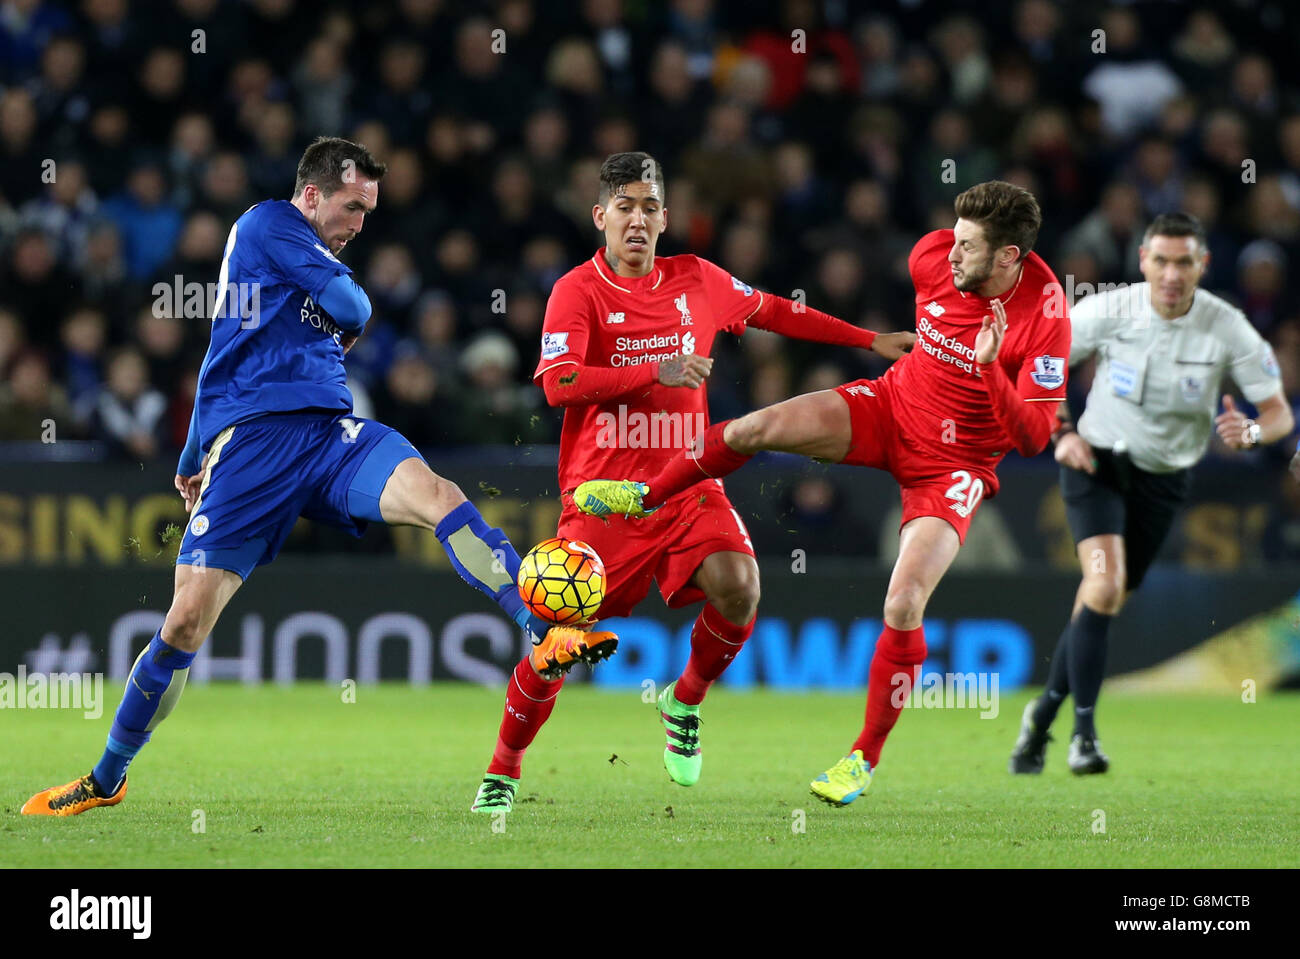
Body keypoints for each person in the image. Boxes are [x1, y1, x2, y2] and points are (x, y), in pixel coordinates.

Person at [22, 136, 614, 817]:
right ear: (311, 195)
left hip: (330, 434)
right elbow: (354, 309)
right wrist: (199, 456)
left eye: (370, 211)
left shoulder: (294, 267)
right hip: (252, 450)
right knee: (184, 622)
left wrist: (187, 456)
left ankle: (542, 627)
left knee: (439, 495)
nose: (361, 223)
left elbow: (223, 348)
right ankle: (106, 777)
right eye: (353, 205)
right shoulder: (269, 223)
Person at [578, 180, 1071, 806]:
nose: (950, 252)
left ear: (1008, 259)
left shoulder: (1046, 317)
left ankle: (861, 760)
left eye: (969, 246)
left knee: (904, 603)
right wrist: (873, 342)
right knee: (755, 426)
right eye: (954, 235)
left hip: (953, 465)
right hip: (891, 407)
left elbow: (1031, 439)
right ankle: (644, 497)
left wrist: (991, 372)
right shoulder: (930, 257)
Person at [468, 151, 915, 814]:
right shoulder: (576, 291)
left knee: (740, 586)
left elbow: (774, 312)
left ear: (667, 217)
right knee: (557, 640)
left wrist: (867, 338)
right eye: (625, 207)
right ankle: (503, 769)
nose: (638, 219)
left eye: (650, 207)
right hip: (602, 495)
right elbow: (559, 385)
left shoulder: (697, 280)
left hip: (686, 483)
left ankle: (685, 700)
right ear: (600, 217)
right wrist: (656, 372)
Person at [1010, 212, 1293, 775]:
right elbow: (1039, 371)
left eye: (1183, 261)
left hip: (1164, 480)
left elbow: (1278, 413)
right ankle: (1083, 737)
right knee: (1106, 582)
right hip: (1096, 462)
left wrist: (1253, 433)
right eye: (1160, 260)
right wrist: (1061, 433)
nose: (1171, 273)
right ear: (1143, 261)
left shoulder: (1227, 326)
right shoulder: (1106, 311)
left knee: (1103, 597)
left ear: (1202, 265)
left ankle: (1041, 715)